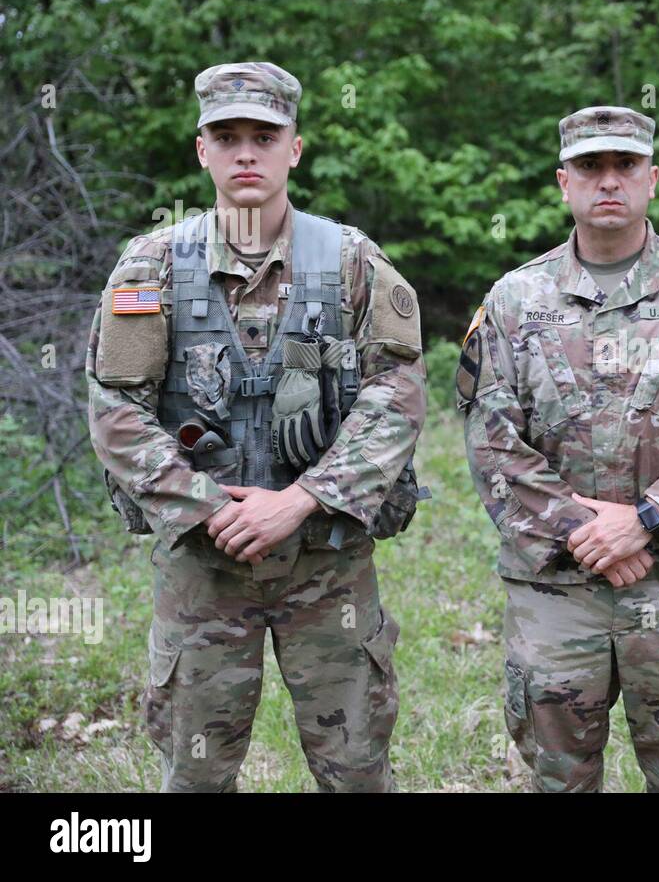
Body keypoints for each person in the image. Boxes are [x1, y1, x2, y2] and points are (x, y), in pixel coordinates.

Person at [87, 61, 428, 792]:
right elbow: (116, 410)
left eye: (264, 136)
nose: (247, 152)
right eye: (227, 135)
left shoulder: (350, 262)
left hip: (325, 560)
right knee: (196, 770)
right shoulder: (151, 265)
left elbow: (396, 397)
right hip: (205, 568)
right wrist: (208, 508)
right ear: (201, 149)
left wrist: (300, 500)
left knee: (357, 767)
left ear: (294, 150)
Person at [458, 106, 659, 792]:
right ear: (562, 183)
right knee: (557, 773)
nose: (610, 181)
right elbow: (492, 440)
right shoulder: (516, 299)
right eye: (591, 167)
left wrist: (646, 521)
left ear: (651, 179)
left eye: (625, 166)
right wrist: (583, 532)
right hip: (556, 587)